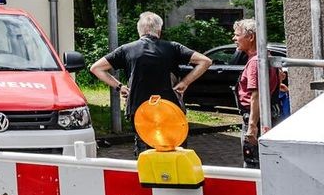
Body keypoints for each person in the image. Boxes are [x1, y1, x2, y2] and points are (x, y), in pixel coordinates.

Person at [89, 11, 212, 153]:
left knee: (146, 153)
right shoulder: (173, 47)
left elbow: (96, 68)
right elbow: (205, 61)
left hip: (140, 109)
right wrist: (185, 82)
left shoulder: (126, 50)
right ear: (159, 30)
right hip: (169, 108)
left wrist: (120, 87)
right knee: (173, 150)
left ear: (139, 30)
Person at [234, 18, 285, 168]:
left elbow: (256, 95)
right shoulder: (266, 56)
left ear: (250, 37)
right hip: (269, 114)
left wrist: (251, 126)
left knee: (254, 165)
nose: (234, 38)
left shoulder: (255, 62)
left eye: (237, 35)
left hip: (257, 118)